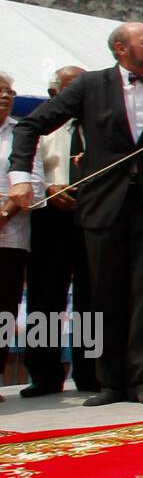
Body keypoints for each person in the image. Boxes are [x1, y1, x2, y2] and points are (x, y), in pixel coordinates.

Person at [6, 23, 143, 406]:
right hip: (103, 204)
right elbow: (31, 125)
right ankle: (109, 382)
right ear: (121, 49)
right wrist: (19, 177)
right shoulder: (88, 86)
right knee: (102, 294)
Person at [20, 65, 97, 397]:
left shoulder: (102, 127)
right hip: (50, 219)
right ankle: (44, 374)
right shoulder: (39, 127)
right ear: (56, 94)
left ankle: (90, 372)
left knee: (91, 299)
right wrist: (51, 190)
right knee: (45, 298)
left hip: (93, 217)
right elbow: (24, 169)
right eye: (71, 88)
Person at [0, 72, 46, 400]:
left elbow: (36, 186)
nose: (6, 96)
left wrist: (4, 214)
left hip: (10, 236)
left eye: (10, 92)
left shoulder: (23, 134)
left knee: (3, 309)